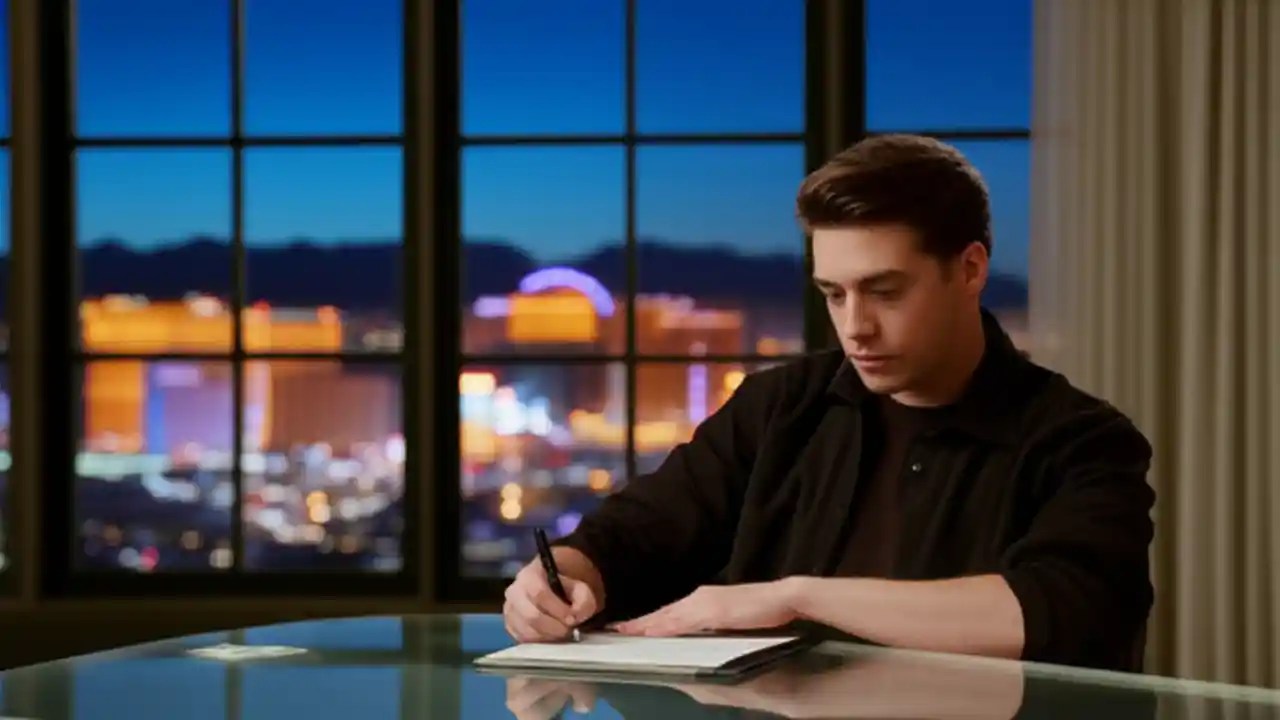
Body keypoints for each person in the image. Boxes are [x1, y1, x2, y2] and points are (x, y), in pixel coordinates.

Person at [501, 134, 1156, 672]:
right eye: (834, 295)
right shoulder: (780, 406)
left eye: (885, 292)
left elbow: (1061, 611)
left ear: (970, 269)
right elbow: (640, 531)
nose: (855, 327)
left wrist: (797, 598)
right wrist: (560, 578)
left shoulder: (1081, 440)